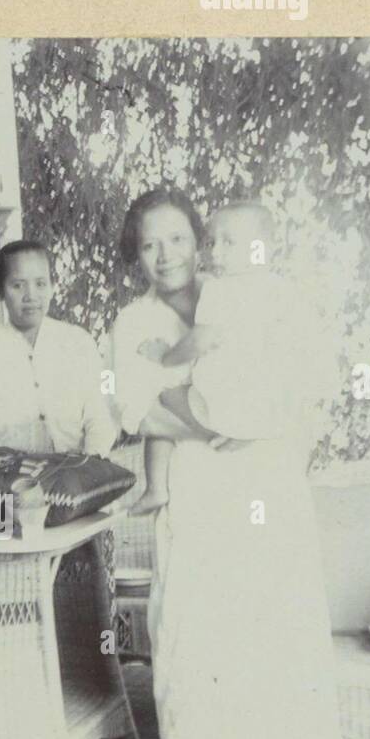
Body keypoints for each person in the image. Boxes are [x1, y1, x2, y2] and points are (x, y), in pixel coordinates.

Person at [109, 185, 354, 739]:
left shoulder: (256, 298)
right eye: (150, 244)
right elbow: (137, 412)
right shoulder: (134, 323)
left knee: (273, 651)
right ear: (138, 254)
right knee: (204, 653)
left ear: (202, 241)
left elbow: (294, 389)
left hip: (265, 495)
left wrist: (239, 417)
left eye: (179, 239)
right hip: (197, 498)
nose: (167, 255)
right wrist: (222, 424)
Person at [127, 201, 298, 515]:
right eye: (211, 242)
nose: (216, 252)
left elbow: (199, 340)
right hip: (255, 416)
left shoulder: (221, 291)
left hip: (225, 406)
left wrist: (165, 356)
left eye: (229, 243)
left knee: (167, 394)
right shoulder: (280, 290)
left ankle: (155, 488)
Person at [0, 239, 117, 459]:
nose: (31, 296)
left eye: (40, 283)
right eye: (18, 285)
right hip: (7, 478)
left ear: (52, 285)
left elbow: (102, 413)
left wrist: (93, 456)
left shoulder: (80, 343)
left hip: (76, 473)